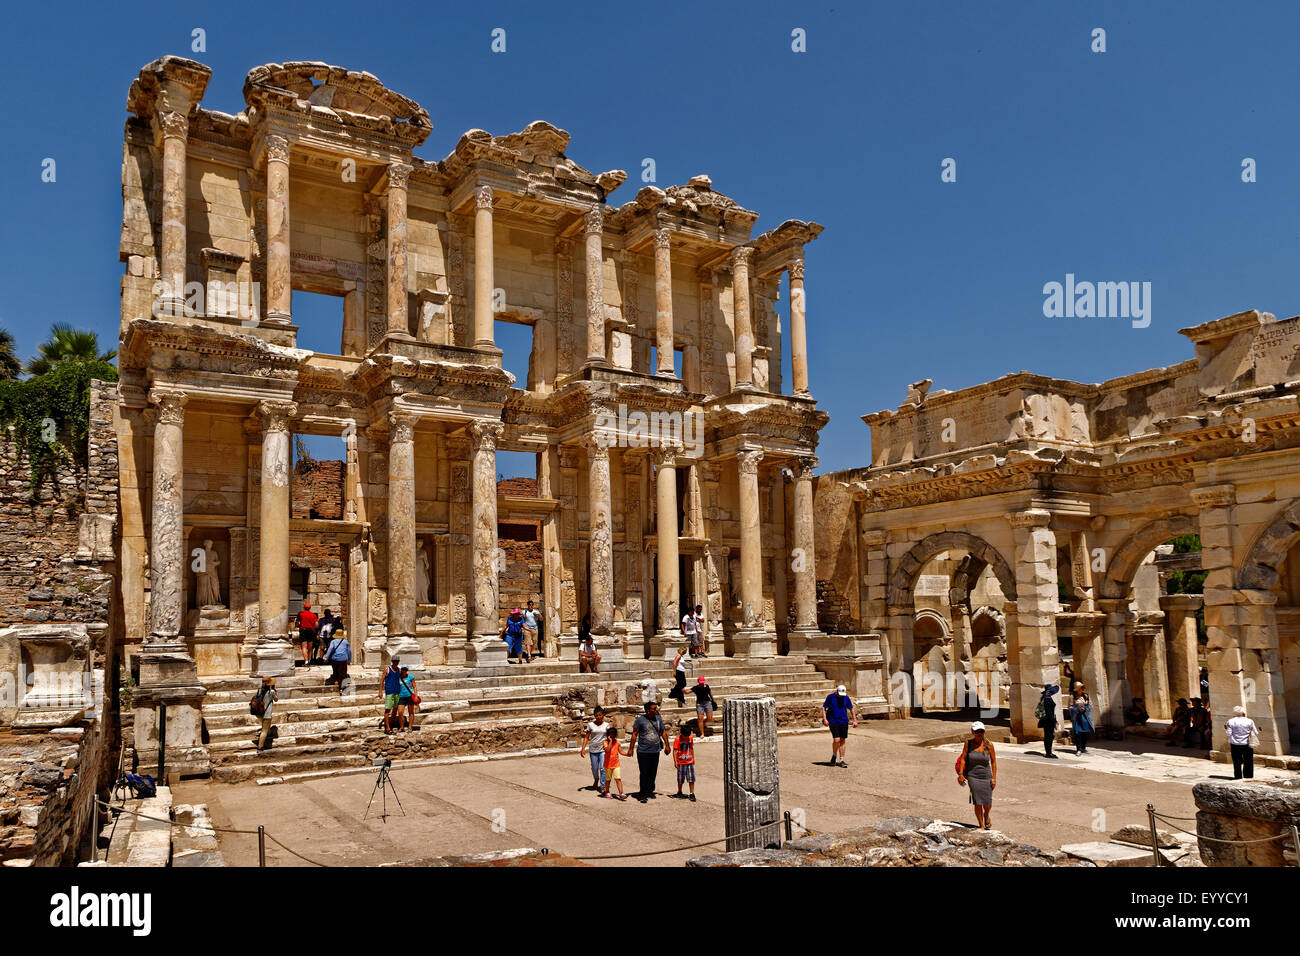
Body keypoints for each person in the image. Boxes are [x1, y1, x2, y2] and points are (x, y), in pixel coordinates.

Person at [955, 721, 997, 830]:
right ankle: (981, 825)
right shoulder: (968, 744)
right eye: (977, 731)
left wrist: (994, 778)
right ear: (972, 732)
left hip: (986, 776)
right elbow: (963, 759)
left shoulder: (989, 745)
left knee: (987, 802)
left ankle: (986, 815)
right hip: (973, 776)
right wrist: (960, 774)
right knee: (977, 801)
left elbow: (993, 762)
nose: (979, 733)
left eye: (981, 731)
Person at [630, 700, 669, 801]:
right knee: (644, 772)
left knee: (653, 772)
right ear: (648, 711)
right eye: (654, 709)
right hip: (643, 751)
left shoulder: (658, 718)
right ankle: (643, 793)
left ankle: (650, 790)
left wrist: (667, 745)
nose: (656, 710)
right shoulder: (640, 720)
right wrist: (631, 749)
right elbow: (634, 734)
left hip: (655, 750)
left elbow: (663, 732)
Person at [821, 684, 858, 767]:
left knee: (842, 740)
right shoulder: (830, 697)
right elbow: (824, 707)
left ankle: (841, 760)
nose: (841, 696)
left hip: (844, 721)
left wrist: (855, 720)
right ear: (836, 691)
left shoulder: (846, 698)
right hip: (833, 721)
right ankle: (834, 755)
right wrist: (825, 719)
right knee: (836, 740)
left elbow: (851, 709)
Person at [1224, 705, 1260, 779]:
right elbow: (1256, 733)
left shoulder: (1230, 721)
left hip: (1235, 744)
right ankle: (1248, 776)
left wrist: (1226, 729)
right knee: (1248, 760)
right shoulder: (1249, 721)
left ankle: (1238, 776)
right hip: (1247, 743)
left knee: (1236, 761)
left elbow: (1228, 734)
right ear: (1243, 713)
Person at [581, 706, 610, 792]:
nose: (599, 717)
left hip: (602, 750)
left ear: (603, 715)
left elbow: (609, 737)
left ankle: (602, 786)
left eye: (600, 715)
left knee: (602, 768)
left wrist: (611, 747)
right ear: (594, 716)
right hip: (593, 749)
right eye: (597, 715)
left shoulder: (606, 725)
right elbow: (586, 737)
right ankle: (596, 779)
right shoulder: (590, 725)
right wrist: (583, 749)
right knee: (594, 768)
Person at [601, 728, 628, 800]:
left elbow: (621, 752)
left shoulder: (618, 743)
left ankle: (621, 793)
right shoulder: (605, 742)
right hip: (608, 764)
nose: (612, 737)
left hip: (616, 764)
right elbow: (607, 750)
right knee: (608, 779)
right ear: (608, 736)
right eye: (610, 736)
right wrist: (610, 741)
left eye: (613, 736)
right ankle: (607, 792)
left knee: (618, 778)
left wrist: (627, 754)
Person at [252, 677, 278, 751]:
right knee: (264, 731)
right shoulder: (271, 692)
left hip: (259, 713)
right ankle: (260, 747)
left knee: (265, 726)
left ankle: (269, 735)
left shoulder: (259, 690)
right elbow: (276, 700)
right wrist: (275, 692)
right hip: (267, 713)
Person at [1067, 681, 1093, 754]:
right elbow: (1070, 707)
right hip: (1076, 717)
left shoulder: (1086, 696)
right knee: (1077, 733)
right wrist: (1078, 709)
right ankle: (1078, 749)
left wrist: (1086, 708)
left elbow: (1090, 706)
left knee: (1085, 732)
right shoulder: (1072, 697)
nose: (1083, 689)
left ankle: (1083, 747)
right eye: (1081, 687)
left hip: (1085, 717)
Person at [673, 723, 697, 801]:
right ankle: (679, 791)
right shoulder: (677, 739)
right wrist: (675, 761)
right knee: (680, 778)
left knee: (691, 778)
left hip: (689, 761)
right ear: (681, 733)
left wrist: (693, 758)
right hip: (681, 762)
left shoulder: (690, 738)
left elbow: (691, 748)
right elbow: (675, 751)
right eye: (685, 735)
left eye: (687, 735)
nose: (686, 737)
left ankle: (691, 793)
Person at [1035, 683, 1059, 758]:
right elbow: (1050, 713)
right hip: (1048, 721)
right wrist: (1054, 722)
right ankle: (1048, 753)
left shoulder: (1045, 698)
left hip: (1047, 720)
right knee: (1049, 737)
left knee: (1048, 736)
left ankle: (1048, 752)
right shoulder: (1048, 699)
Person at [382, 657, 403, 734]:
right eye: (394, 661)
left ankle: (390, 725)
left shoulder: (399, 670)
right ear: (392, 662)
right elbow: (382, 681)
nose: (396, 662)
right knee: (388, 709)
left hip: (397, 691)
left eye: (397, 661)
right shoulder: (387, 669)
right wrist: (380, 692)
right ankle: (387, 728)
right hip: (390, 692)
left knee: (395, 709)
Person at [398, 666, 418, 732]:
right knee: (400, 712)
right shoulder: (398, 677)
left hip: (409, 695)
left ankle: (410, 727)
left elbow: (414, 687)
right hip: (401, 696)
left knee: (411, 711)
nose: (404, 671)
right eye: (403, 669)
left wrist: (416, 696)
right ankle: (402, 727)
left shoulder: (411, 677)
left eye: (405, 669)